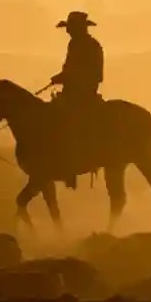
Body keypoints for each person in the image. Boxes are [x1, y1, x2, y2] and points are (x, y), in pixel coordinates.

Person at [48, 11, 104, 188]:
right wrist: (62, 76)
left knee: (67, 121)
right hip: (71, 91)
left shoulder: (91, 46)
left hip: (85, 93)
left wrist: (67, 77)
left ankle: (70, 164)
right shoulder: (75, 44)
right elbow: (69, 68)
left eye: (71, 28)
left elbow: (95, 74)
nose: (68, 32)